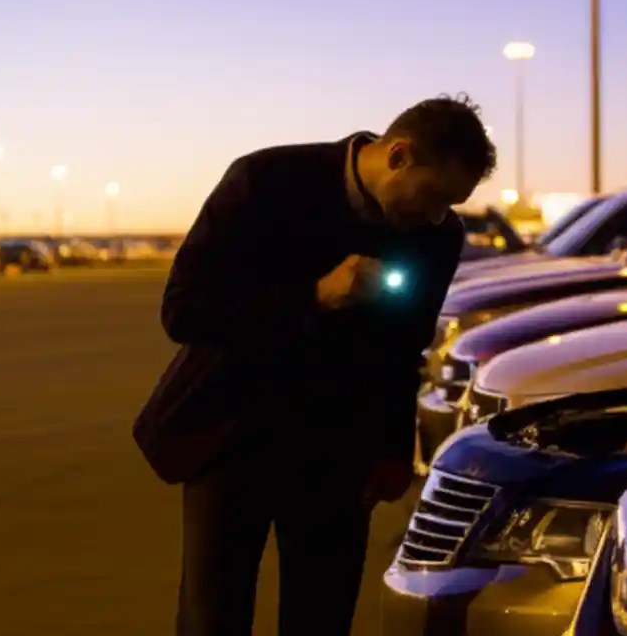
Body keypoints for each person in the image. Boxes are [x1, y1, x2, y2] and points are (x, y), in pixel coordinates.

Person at [133, 94, 495, 635]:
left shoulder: (437, 237)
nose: (434, 215)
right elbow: (183, 309)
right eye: (433, 195)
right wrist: (314, 296)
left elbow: (405, 347)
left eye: (450, 205)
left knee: (322, 615)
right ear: (398, 155)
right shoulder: (268, 181)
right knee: (213, 615)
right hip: (234, 434)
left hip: (339, 450)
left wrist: (395, 448)